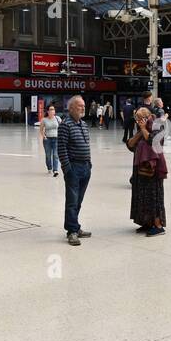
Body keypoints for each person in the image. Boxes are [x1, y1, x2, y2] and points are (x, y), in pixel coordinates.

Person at [56, 95, 92, 246]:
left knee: (79, 200)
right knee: (72, 201)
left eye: (83, 105)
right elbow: (61, 148)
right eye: (79, 106)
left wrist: (89, 163)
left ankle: (75, 226)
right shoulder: (66, 125)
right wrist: (67, 169)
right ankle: (71, 231)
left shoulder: (83, 124)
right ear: (71, 108)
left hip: (85, 167)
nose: (83, 108)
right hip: (74, 168)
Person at [127, 107, 168, 236]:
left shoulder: (157, 126)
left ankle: (158, 225)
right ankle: (147, 222)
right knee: (142, 196)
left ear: (147, 117)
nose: (138, 122)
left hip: (153, 169)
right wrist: (141, 131)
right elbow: (130, 145)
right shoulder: (141, 128)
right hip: (140, 168)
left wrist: (144, 129)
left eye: (140, 119)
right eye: (137, 120)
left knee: (153, 196)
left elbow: (152, 141)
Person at [39, 104, 61, 177]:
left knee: (55, 155)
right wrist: (44, 136)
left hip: (56, 139)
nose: (52, 111)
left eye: (53, 109)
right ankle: (49, 168)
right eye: (51, 109)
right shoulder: (44, 120)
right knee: (48, 156)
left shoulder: (58, 118)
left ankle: (55, 170)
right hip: (47, 139)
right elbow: (41, 130)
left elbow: (62, 127)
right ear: (48, 111)